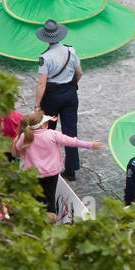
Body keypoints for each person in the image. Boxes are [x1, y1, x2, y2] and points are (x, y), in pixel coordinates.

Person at [12, 112, 104, 213]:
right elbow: (73, 142)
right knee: (50, 199)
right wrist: (90, 145)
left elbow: (18, 147)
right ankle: (51, 219)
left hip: (33, 174)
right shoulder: (52, 134)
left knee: (35, 197)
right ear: (43, 125)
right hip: (51, 173)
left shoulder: (25, 136)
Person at [30, 19, 85, 180]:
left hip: (52, 96)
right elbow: (80, 72)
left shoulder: (45, 57)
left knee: (47, 132)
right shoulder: (70, 50)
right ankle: (71, 169)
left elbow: (41, 83)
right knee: (70, 131)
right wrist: (71, 85)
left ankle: (48, 166)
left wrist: (37, 105)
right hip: (69, 93)